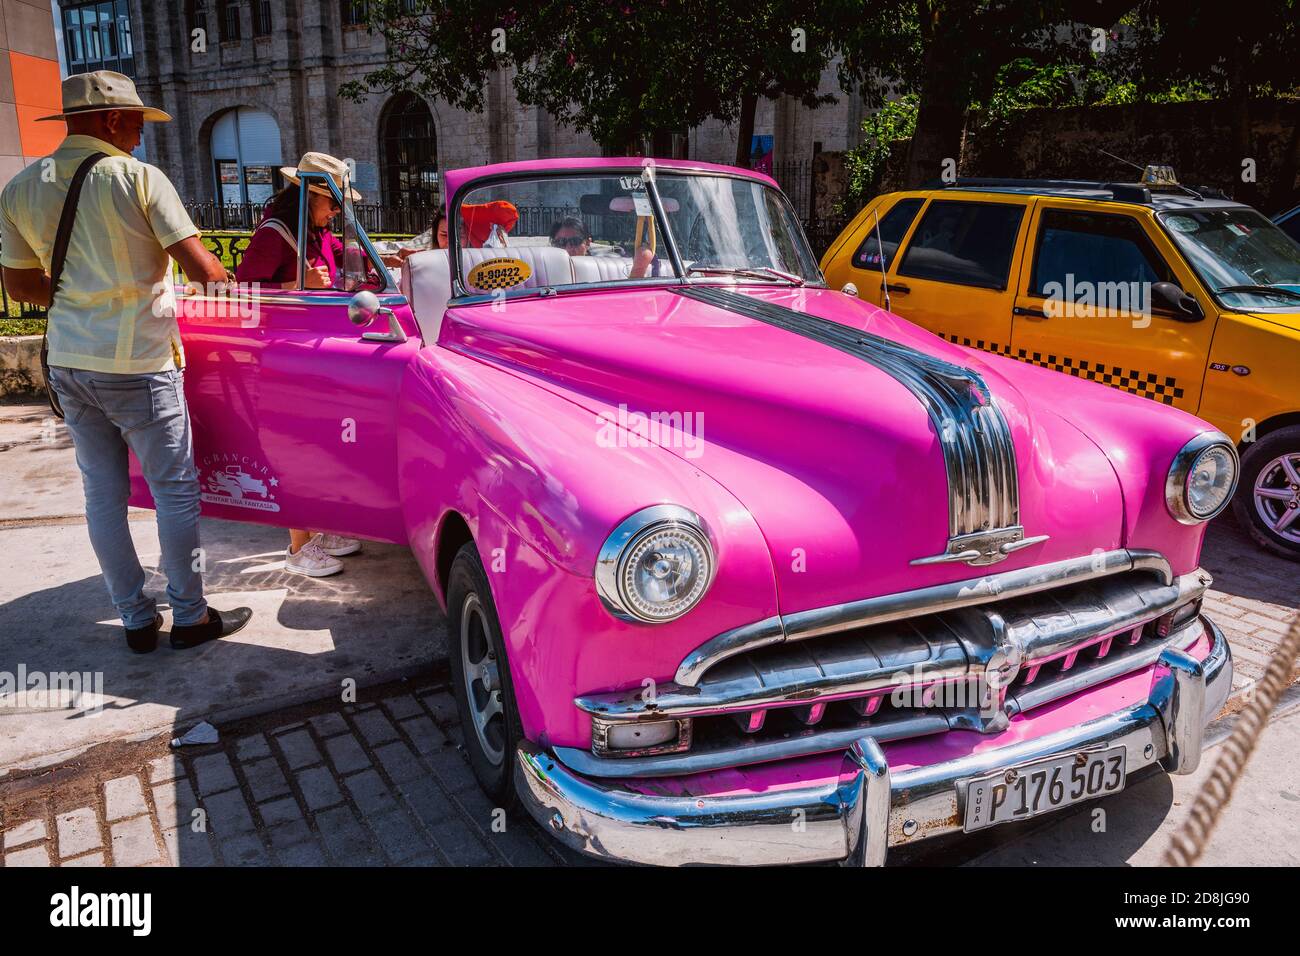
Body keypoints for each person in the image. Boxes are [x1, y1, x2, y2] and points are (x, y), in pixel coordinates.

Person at [0, 70, 252, 652]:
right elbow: (205, 273)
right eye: (137, 122)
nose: (141, 135)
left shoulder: (19, 186)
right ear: (112, 120)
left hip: (67, 361)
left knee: (101, 496)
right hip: (138, 361)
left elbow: (20, 283)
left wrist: (80, 295)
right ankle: (190, 616)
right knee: (174, 492)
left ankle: (137, 620)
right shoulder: (137, 178)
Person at [234, 152, 365, 578]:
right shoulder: (275, 234)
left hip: (316, 352)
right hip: (283, 356)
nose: (335, 211)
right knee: (298, 447)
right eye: (332, 203)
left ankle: (319, 529)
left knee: (323, 445)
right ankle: (297, 546)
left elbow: (345, 256)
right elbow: (242, 291)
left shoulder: (317, 233)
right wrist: (292, 285)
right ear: (311, 197)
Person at [550, 216, 653, 277]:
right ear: (553, 244)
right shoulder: (544, 271)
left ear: (587, 243)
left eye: (575, 241)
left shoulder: (608, 269)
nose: (568, 248)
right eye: (561, 242)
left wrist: (638, 269)